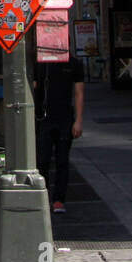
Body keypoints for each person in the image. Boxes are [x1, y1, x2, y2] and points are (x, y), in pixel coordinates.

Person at [34, 54, 85, 214]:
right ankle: (46, 196)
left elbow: (79, 92)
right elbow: (34, 89)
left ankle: (58, 200)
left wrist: (78, 120)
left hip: (64, 118)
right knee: (42, 160)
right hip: (44, 118)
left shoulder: (73, 63)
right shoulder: (41, 63)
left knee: (62, 160)